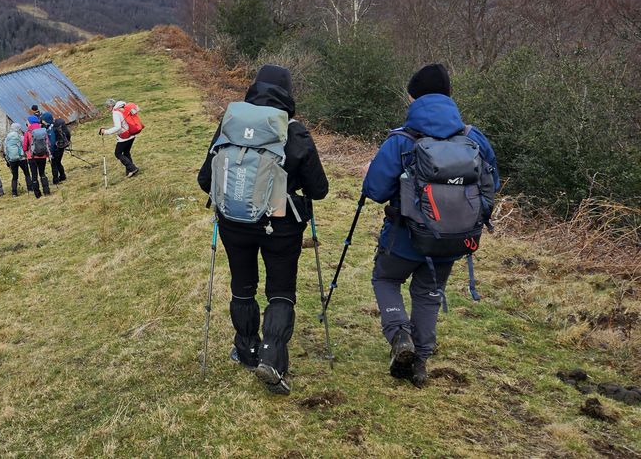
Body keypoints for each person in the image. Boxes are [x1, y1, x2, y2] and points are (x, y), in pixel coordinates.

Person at [362, 64, 500, 388]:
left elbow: (376, 190)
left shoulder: (401, 139)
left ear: (413, 97)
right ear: (449, 96)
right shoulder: (473, 137)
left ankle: (399, 335)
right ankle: (420, 362)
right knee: (428, 293)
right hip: (453, 237)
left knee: (385, 277)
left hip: (404, 237)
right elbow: (491, 183)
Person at [196, 65, 328, 395]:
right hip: (280, 225)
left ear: (253, 89)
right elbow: (319, 189)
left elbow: (204, 180)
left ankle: (246, 350)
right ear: (288, 94)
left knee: (243, 286)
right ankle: (271, 355)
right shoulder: (294, 131)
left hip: (232, 222)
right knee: (280, 291)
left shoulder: (230, 125)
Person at [100, 99, 140, 177]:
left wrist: (106, 132)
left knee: (117, 153)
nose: (107, 109)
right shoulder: (123, 108)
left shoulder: (116, 113)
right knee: (126, 153)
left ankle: (132, 168)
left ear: (110, 106)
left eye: (107, 107)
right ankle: (129, 172)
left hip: (125, 136)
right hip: (132, 133)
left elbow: (118, 127)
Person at [22, 114, 52, 198]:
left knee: (34, 175)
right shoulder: (43, 130)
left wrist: (25, 151)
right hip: (43, 155)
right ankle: (46, 191)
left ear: (30, 122)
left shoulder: (28, 132)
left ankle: (37, 194)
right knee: (42, 173)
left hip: (32, 157)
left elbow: (25, 146)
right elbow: (48, 143)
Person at [41, 111, 69, 185]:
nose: (43, 122)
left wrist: (51, 152)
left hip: (55, 149)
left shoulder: (51, 129)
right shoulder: (56, 125)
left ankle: (56, 180)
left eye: (44, 121)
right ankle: (63, 176)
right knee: (58, 162)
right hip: (61, 146)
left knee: (54, 165)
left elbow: (52, 142)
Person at [3, 123, 31, 196]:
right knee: (27, 173)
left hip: (12, 160)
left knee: (15, 176)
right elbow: (25, 147)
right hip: (22, 158)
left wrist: (8, 159)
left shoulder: (7, 139)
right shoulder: (21, 137)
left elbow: (5, 150)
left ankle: (14, 192)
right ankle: (30, 188)